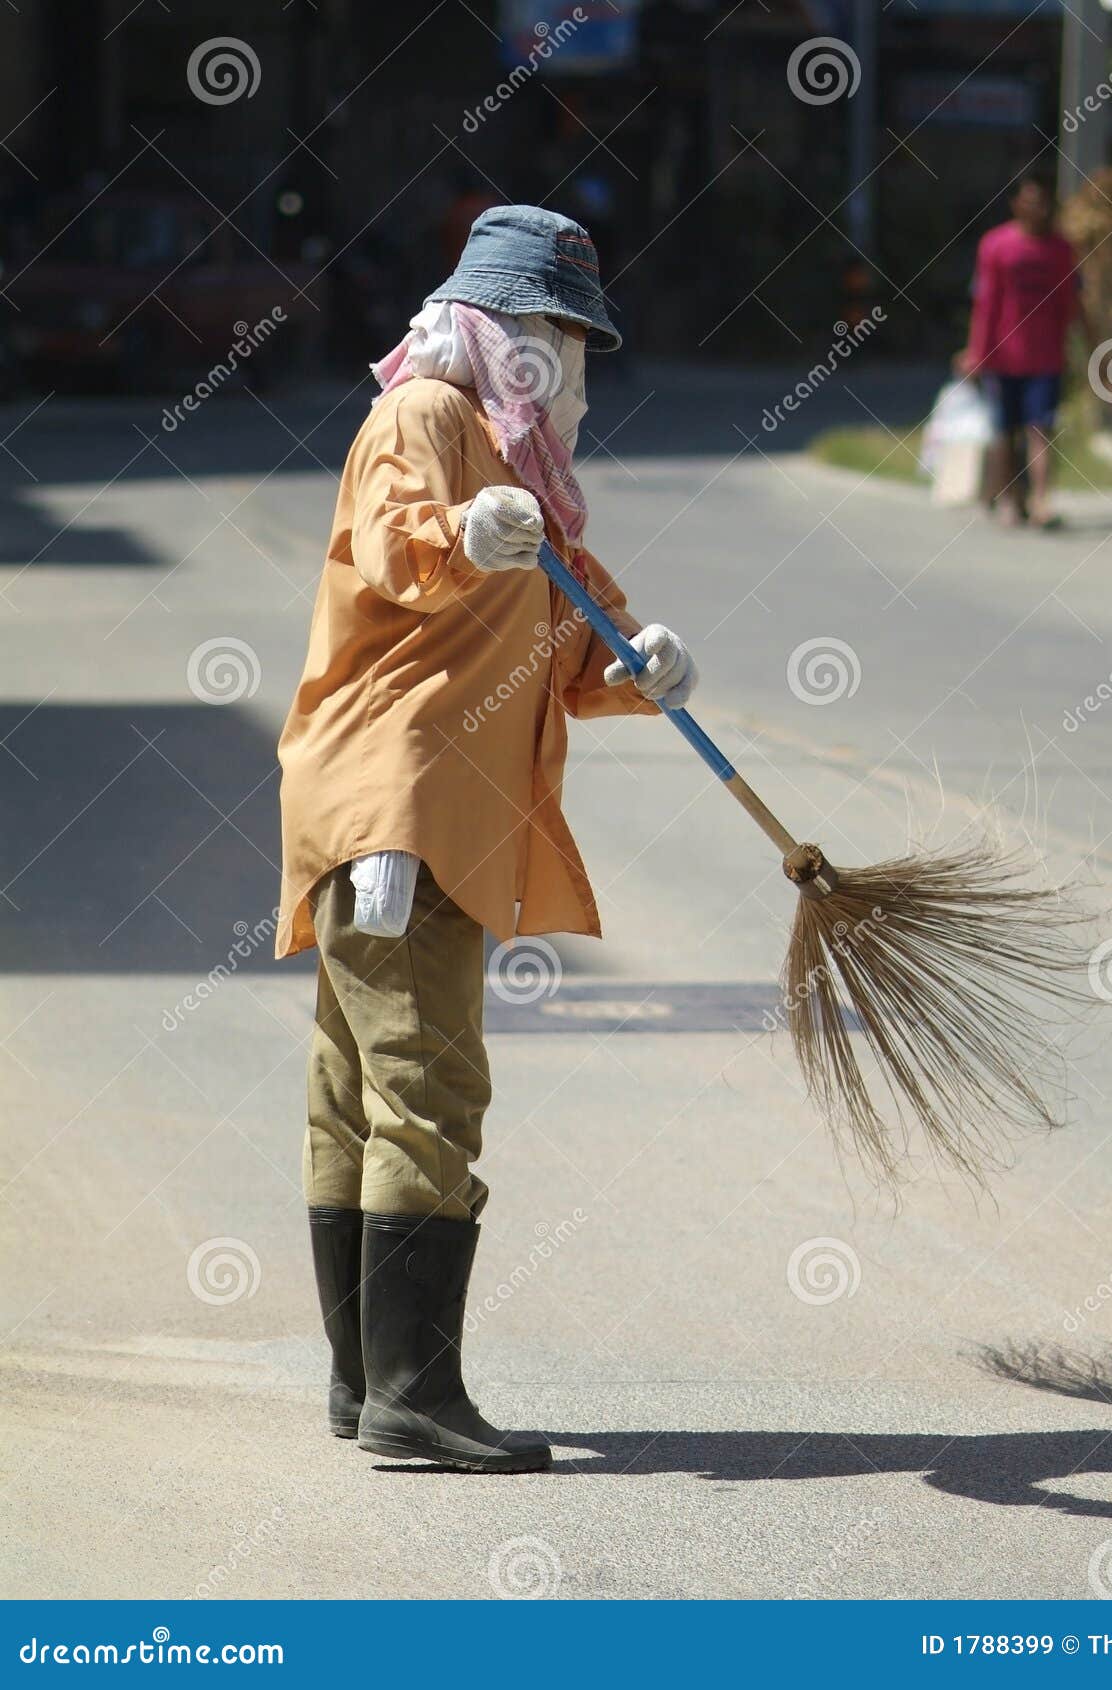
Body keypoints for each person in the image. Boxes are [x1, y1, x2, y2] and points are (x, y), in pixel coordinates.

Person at [274, 206, 697, 1474]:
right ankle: (415, 1389)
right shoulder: (422, 422)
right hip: (396, 813)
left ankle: (367, 1382)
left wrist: (648, 663)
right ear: (490, 325)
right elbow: (399, 547)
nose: (566, 363)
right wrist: (462, 532)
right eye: (551, 332)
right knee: (427, 1089)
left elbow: (572, 636)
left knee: (357, 1093)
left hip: (421, 812)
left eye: (574, 338)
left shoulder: (525, 477)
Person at [960, 172, 1091, 529]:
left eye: (1042, 201)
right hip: (1002, 357)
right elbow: (986, 304)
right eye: (1029, 201)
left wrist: (1083, 346)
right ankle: (1007, 499)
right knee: (1004, 432)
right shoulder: (996, 246)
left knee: (1040, 430)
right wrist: (977, 353)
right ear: (1016, 204)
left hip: (1046, 358)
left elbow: (1071, 305)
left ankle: (1041, 500)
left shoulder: (1061, 250)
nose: (1037, 208)